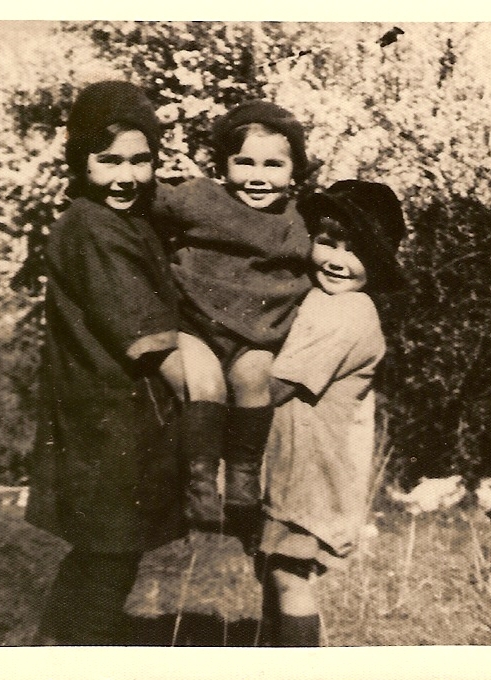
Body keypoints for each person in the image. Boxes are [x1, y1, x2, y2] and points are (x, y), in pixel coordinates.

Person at [24, 81, 187, 646]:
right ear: (80, 160)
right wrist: (210, 404)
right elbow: (147, 338)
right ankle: (72, 652)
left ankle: (58, 645)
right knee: (109, 555)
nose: (127, 175)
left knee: (106, 554)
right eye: (109, 159)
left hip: (114, 416)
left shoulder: (125, 219)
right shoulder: (93, 227)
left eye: (141, 161)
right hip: (107, 419)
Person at [153, 101, 312, 550]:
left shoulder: (298, 222)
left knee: (252, 378)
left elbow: (329, 256)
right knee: (205, 384)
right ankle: (200, 486)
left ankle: (243, 479)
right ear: (223, 165)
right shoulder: (202, 198)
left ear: (294, 169)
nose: (257, 176)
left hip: (256, 333)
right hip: (198, 322)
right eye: (244, 162)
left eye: (273, 164)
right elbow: (153, 196)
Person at [254, 180, 408, 647]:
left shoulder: (350, 313)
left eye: (356, 251)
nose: (338, 260)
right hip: (290, 463)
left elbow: (277, 387)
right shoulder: (321, 299)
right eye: (327, 243)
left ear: (376, 262)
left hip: (313, 470)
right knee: (276, 572)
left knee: (290, 578)